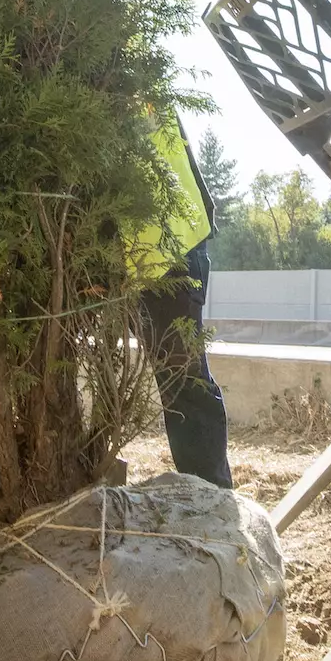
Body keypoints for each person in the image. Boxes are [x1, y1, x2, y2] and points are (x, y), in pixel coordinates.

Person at [132, 112, 232, 490]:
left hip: (165, 249)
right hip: (142, 245)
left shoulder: (120, 66)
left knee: (184, 382)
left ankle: (211, 504)